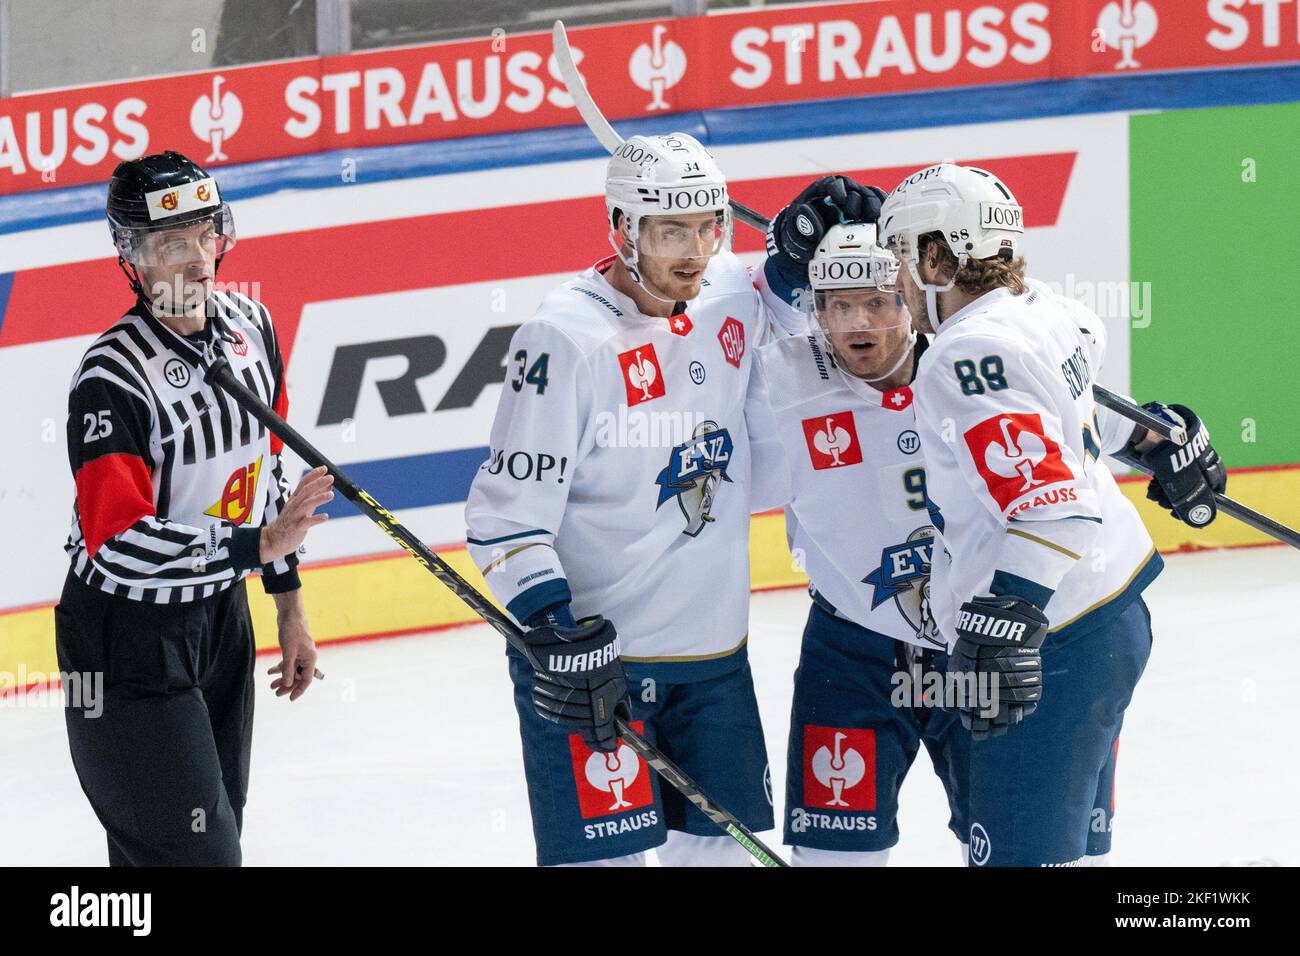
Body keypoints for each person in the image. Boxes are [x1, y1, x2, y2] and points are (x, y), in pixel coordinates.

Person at [464, 132, 872, 866]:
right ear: (623, 231)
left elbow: (788, 302)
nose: (695, 249)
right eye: (670, 231)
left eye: (708, 226)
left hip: (712, 665)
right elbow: (505, 516)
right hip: (592, 668)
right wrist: (553, 628)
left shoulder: (724, 295)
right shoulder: (564, 338)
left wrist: (810, 236)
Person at [876, 163, 1225, 866]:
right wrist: (1153, 439)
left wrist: (1008, 611)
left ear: (938, 258)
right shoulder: (1040, 307)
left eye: (903, 261)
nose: (896, 286)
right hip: (1112, 615)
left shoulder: (963, 355)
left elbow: (1054, 508)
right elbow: (1070, 415)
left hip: (1056, 641)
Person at [56, 151, 333, 866]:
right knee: (196, 856)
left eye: (205, 233)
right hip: (120, 642)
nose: (195, 258)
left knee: (206, 838)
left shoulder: (254, 327)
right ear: (133, 258)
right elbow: (116, 541)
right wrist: (254, 549)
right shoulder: (110, 376)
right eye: (168, 243)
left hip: (219, 622)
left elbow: (267, 474)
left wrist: (287, 602)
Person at [755, 221, 969, 866]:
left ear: (910, 294)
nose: (857, 322)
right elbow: (693, 343)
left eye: (876, 301)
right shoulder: (781, 377)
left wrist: (1152, 438)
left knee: (1019, 843)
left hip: (977, 646)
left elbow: (1065, 407)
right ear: (813, 309)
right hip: (852, 651)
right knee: (831, 854)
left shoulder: (970, 363)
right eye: (837, 304)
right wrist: (777, 262)